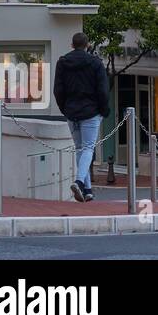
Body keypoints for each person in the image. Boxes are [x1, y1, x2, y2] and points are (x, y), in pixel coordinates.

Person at [53, 32, 110, 203]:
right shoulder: (95, 63)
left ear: (72, 45)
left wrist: (65, 109)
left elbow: (58, 90)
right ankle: (79, 182)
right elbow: (102, 90)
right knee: (87, 149)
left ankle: (87, 190)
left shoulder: (62, 62)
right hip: (91, 112)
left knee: (80, 149)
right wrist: (103, 110)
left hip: (71, 111)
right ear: (88, 45)